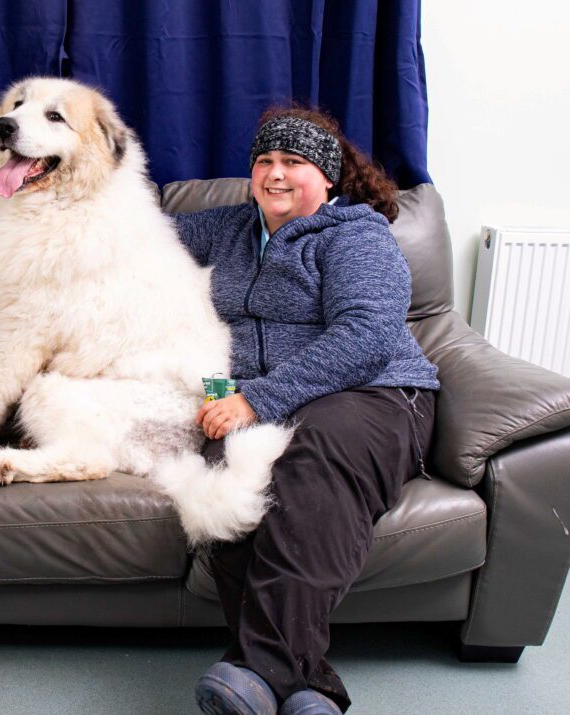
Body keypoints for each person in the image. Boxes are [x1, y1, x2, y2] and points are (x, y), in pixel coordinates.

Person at [176, 108, 439, 715]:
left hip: (370, 393)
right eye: (264, 161)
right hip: (248, 402)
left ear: (326, 176)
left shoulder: (356, 234)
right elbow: (131, 236)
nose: (275, 174)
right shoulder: (224, 230)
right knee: (229, 488)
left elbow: (367, 335)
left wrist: (256, 399)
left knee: (310, 456)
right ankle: (304, 689)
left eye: (293, 162)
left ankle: (257, 671)